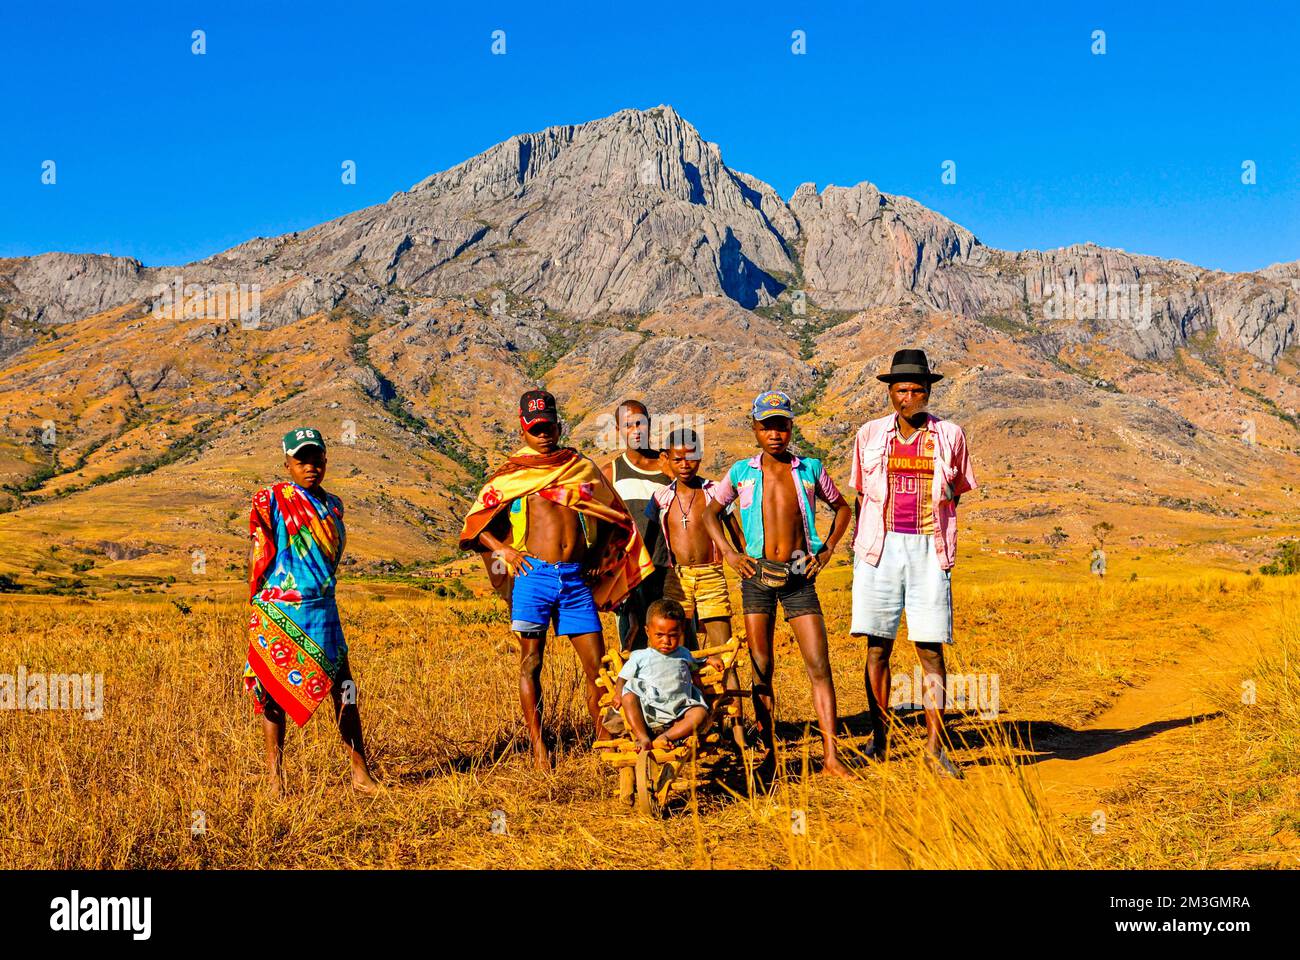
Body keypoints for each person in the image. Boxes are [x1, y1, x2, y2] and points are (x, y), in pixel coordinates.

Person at [459, 390, 655, 770]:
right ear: (523, 431)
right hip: (534, 577)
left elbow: (612, 514)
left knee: (598, 667)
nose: (543, 434)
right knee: (531, 662)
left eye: (548, 426)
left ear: (559, 425)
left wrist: (599, 556)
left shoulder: (580, 467)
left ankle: (603, 742)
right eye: (535, 429)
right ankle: (538, 747)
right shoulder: (514, 474)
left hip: (575, 579)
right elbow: (475, 523)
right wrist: (503, 550)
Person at [701, 390, 854, 778]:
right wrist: (732, 555)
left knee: (819, 664)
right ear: (755, 429)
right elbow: (710, 513)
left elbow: (842, 507)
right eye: (767, 426)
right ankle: (770, 754)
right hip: (757, 578)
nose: (775, 434)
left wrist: (828, 549)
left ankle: (831, 756)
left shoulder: (810, 469)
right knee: (761, 667)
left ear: (790, 428)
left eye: (782, 426)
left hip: (801, 575)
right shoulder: (741, 472)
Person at [848, 349, 977, 778]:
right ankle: (880, 739)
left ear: (928, 392)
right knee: (877, 646)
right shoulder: (868, 435)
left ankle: (936, 747)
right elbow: (861, 494)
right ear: (890, 392)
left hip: (928, 548)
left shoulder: (951, 435)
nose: (908, 397)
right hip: (879, 549)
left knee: (930, 648)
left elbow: (955, 490)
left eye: (917, 390)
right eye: (901, 389)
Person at [243, 427, 379, 796]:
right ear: (286, 463)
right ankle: (275, 777)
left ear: (325, 460)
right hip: (279, 610)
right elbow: (260, 551)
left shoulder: (333, 504)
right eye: (301, 460)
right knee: (273, 691)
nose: (310, 466)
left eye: (316, 459)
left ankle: (360, 773)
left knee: (346, 688)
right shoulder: (270, 499)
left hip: (323, 609)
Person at [648, 427, 743, 651]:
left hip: (711, 575)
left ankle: (728, 687)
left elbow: (736, 533)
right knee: (674, 652)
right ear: (667, 459)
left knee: (724, 650)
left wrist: (749, 562)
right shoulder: (661, 497)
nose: (684, 465)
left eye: (690, 458)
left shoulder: (716, 491)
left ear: (699, 456)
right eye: (677, 459)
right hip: (676, 579)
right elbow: (648, 543)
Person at [603, 400, 673, 651]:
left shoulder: (669, 466)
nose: (635, 429)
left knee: (677, 643)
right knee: (634, 645)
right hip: (630, 574)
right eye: (628, 424)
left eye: (640, 422)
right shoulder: (611, 472)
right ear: (618, 430)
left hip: (668, 571)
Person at [612, 598, 723, 752]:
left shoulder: (684, 653)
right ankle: (642, 736)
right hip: (648, 708)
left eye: (672, 635)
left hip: (679, 709)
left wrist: (709, 660)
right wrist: (618, 694)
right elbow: (622, 677)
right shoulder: (640, 656)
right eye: (659, 635)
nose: (666, 641)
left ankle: (666, 736)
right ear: (647, 631)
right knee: (628, 697)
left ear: (681, 631)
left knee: (700, 713)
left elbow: (695, 663)